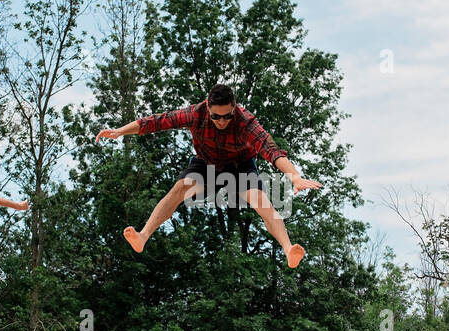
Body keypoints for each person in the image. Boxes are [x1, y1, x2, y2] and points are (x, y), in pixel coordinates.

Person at [96, 83, 321, 268]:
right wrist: (120, 131)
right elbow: (156, 121)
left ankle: (288, 248)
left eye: (227, 116)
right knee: (180, 188)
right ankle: (143, 236)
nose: (222, 122)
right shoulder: (195, 114)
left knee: (260, 200)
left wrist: (294, 176)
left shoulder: (245, 122)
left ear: (234, 108)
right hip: (207, 163)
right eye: (216, 117)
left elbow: (270, 149)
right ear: (207, 107)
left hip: (240, 165)